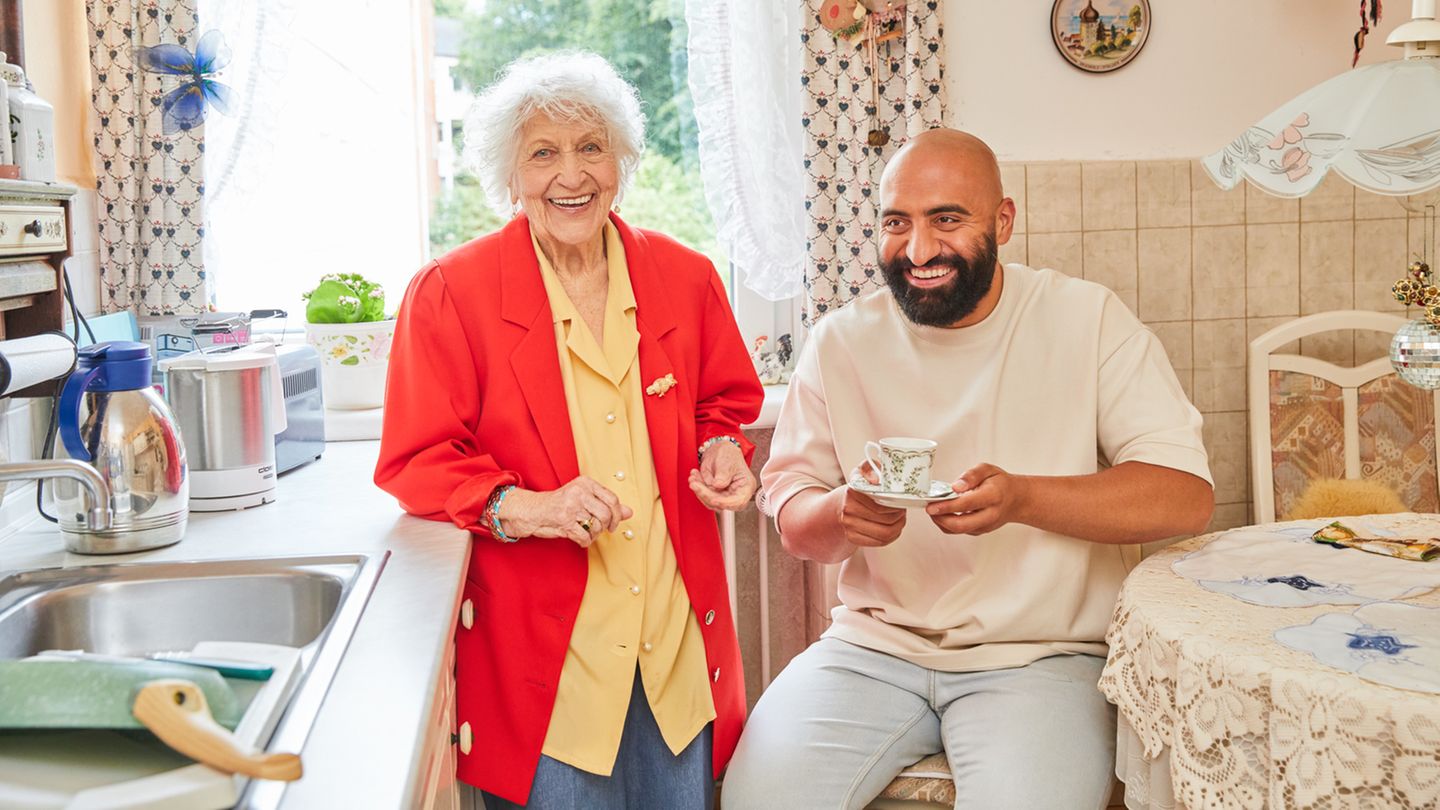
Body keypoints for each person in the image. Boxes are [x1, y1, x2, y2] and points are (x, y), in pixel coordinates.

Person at [721, 129, 1214, 810]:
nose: (919, 250)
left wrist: (1023, 500)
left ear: (1003, 221)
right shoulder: (841, 340)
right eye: (897, 223)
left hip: (1043, 657)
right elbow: (794, 518)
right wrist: (840, 514)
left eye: (947, 219)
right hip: (870, 650)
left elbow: (1184, 497)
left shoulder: (1085, 318)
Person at [374, 52, 763, 809]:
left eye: (591, 147)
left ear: (620, 161)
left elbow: (721, 404)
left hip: (673, 649)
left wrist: (722, 449)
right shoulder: (450, 293)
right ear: (510, 175)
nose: (571, 174)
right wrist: (529, 507)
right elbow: (417, 458)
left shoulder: (686, 277)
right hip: (550, 672)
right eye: (543, 154)